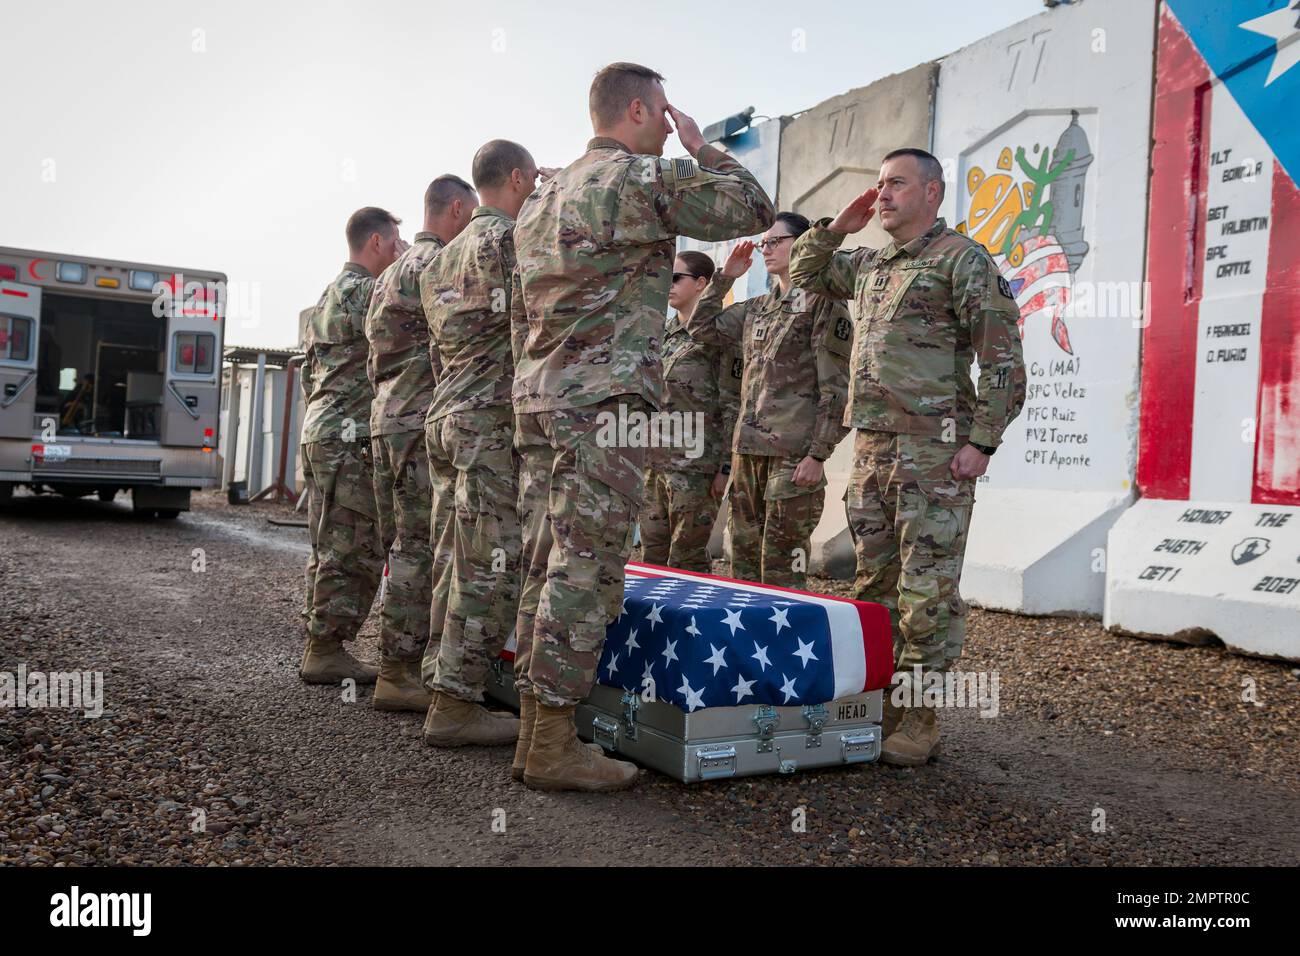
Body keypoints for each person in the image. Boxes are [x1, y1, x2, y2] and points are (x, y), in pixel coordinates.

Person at [510, 61, 774, 792]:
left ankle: (538, 733)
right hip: (605, 406)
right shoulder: (634, 180)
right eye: (663, 111)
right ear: (636, 109)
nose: (669, 121)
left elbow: (518, 310)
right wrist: (706, 148)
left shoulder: (541, 196)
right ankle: (554, 742)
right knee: (586, 568)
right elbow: (752, 205)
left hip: (540, 398)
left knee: (546, 561)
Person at [789, 147, 1026, 766]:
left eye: (896, 184)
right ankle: (881, 704)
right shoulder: (869, 264)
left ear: (933, 194)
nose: (883, 195)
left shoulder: (963, 261)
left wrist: (981, 441)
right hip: (871, 451)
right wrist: (837, 227)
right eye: (878, 184)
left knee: (928, 589)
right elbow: (807, 272)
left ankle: (919, 717)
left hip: (933, 453)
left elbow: (1002, 359)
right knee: (875, 583)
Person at [419, 141, 544, 747]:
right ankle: (455, 701)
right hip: (490, 422)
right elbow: (532, 331)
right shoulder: (510, 242)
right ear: (518, 178)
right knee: (491, 562)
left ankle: (435, 676)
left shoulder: (441, 258)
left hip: (446, 414)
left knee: (452, 554)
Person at [684, 212, 851, 589]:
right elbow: (700, 328)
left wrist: (819, 453)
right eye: (764, 243)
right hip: (748, 452)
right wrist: (726, 276)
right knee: (742, 562)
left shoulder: (823, 304)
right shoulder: (757, 307)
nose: (766, 249)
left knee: (782, 565)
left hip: (792, 455)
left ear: (803, 243)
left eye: (776, 241)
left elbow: (836, 385)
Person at [364, 175, 477, 711]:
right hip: (418, 418)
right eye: (471, 214)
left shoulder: (389, 274)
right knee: (421, 548)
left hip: (388, 417)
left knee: (405, 544)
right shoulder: (437, 266)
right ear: (456, 209)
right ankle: (402, 671)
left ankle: (400, 667)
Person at [299, 207, 403, 685]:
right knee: (355, 544)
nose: (400, 251)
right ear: (377, 242)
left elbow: (307, 373)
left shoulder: (326, 296)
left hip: (319, 430)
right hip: (347, 436)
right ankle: (327, 648)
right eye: (397, 244)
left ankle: (320, 642)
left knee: (327, 542)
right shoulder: (368, 293)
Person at [636, 250, 739, 572]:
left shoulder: (718, 335)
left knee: (686, 559)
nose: (668, 283)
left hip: (695, 467)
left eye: (676, 277)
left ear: (700, 283)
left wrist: (725, 467)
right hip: (654, 462)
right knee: (652, 554)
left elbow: (732, 402)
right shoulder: (662, 334)